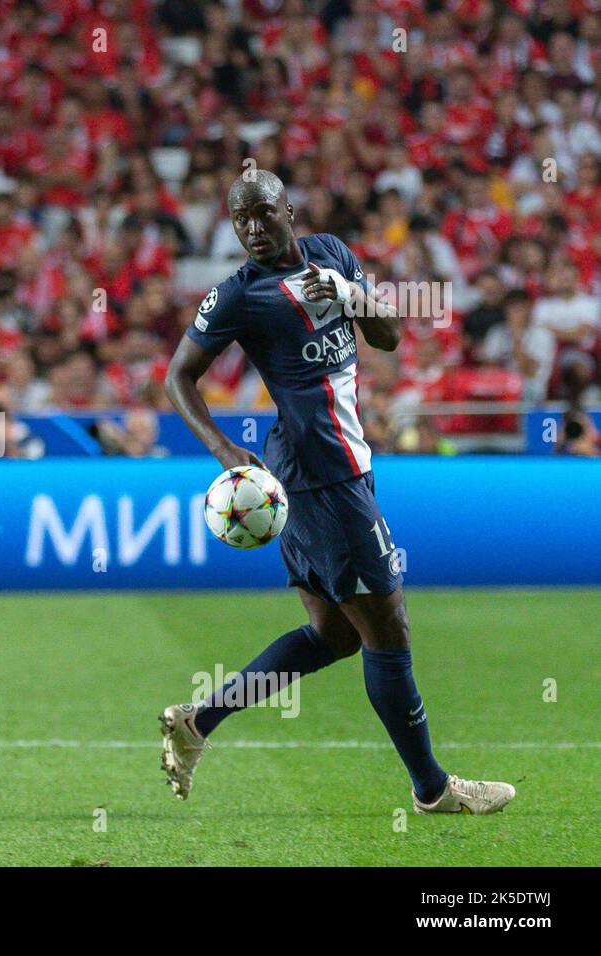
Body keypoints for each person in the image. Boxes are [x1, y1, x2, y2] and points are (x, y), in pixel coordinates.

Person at [162, 169, 515, 814]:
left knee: (334, 634)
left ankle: (198, 724)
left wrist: (349, 293)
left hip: (333, 467)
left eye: (262, 215)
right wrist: (220, 450)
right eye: (240, 221)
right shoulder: (239, 295)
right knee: (389, 624)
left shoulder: (330, 254)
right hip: (319, 478)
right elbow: (178, 377)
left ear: (287, 210)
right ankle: (433, 788)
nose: (252, 230)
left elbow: (388, 335)